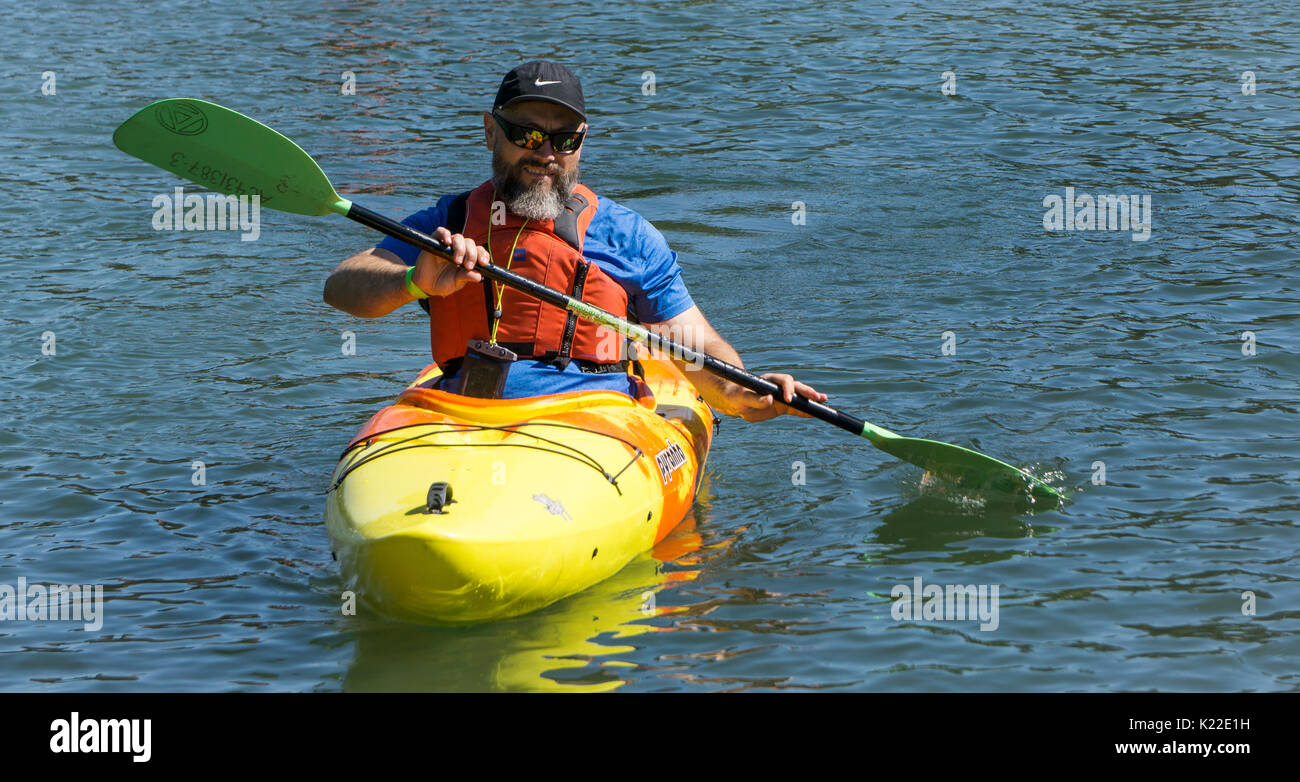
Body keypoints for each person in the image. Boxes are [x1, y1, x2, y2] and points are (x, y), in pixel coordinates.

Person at [323, 61, 825, 421]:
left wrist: (747, 394)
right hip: (460, 411)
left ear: (582, 142)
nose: (545, 154)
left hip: (589, 417)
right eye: (527, 134)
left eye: (564, 140)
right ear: (489, 132)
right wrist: (415, 280)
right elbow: (342, 288)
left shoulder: (626, 235)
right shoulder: (448, 221)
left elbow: (695, 343)